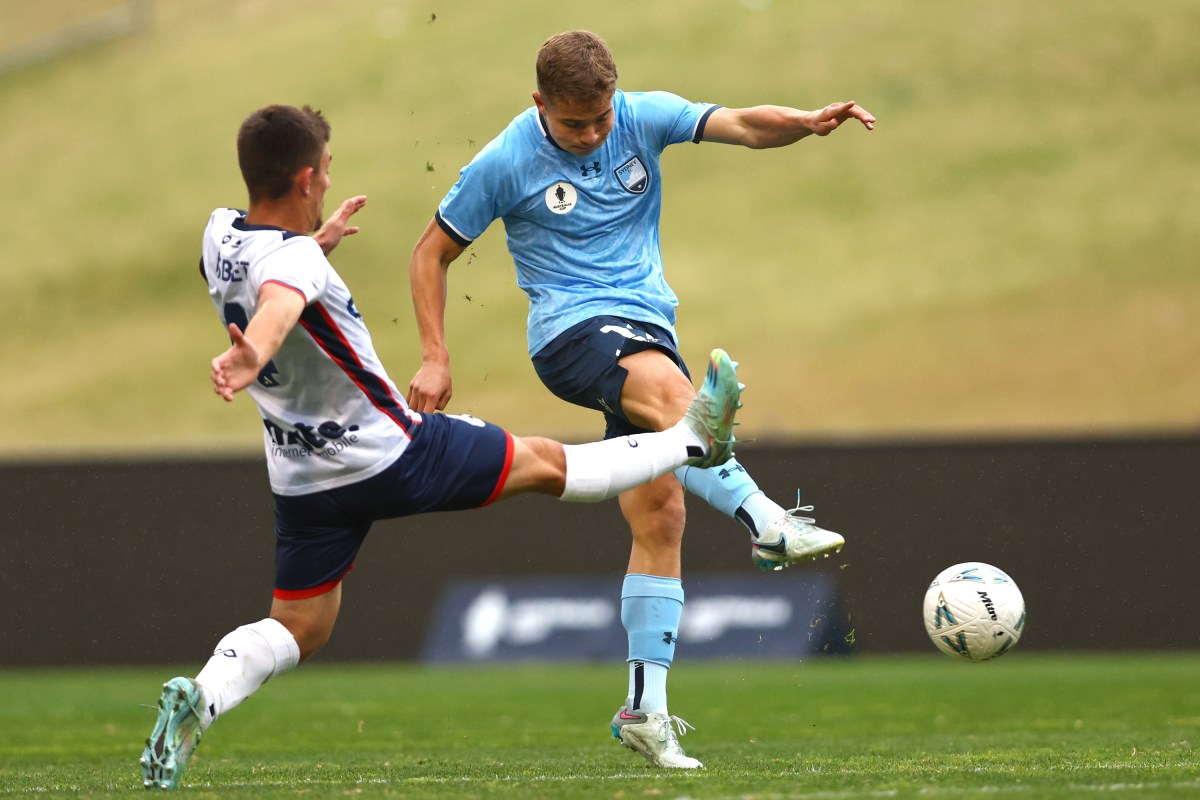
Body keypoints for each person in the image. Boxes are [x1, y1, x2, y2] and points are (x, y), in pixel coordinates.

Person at [139, 103, 744, 791]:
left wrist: (304, 266)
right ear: (306, 179)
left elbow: (262, 279)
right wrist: (265, 341)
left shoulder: (220, 235)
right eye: (327, 174)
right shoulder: (296, 262)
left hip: (303, 478)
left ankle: (204, 695)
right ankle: (694, 439)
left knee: (301, 626)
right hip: (390, 453)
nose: (330, 186)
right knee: (552, 465)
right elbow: (278, 302)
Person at [407, 30, 876, 769]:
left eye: (600, 119)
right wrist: (436, 355)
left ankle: (644, 709)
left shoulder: (641, 116)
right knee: (675, 398)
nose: (592, 135)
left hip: (645, 328)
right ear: (539, 105)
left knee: (661, 511)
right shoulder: (504, 161)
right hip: (571, 334)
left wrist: (807, 121)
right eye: (573, 124)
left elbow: (745, 125)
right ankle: (765, 521)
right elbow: (429, 251)